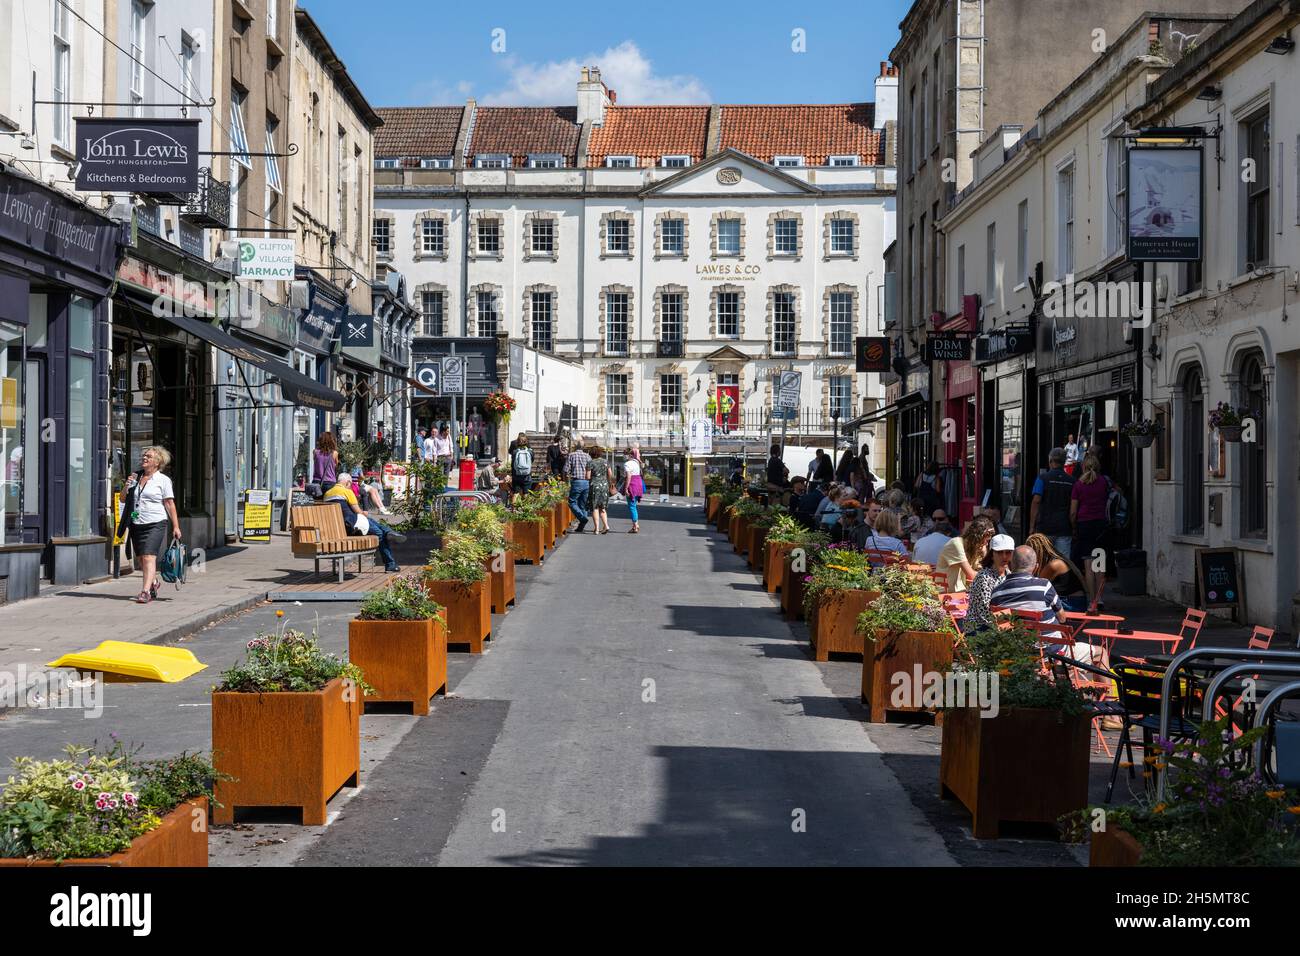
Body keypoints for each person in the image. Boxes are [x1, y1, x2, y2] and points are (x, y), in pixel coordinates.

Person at [122, 446, 182, 604]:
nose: (144, 458)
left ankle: (145, 591)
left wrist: (176, 526)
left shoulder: (163, 480)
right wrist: (127, 485)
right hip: (137, 522)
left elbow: (169, 504)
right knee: (141, 559)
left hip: (156, 522)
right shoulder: (136, 476)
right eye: (144, 456)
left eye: (148, 456)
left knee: (149, 556)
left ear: (157, 462)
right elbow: (123, 499)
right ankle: (154, 582)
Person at [323, 476, 406, 573]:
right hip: (352, 526)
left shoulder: (327, 494)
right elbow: (358, 512)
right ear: (348, 483)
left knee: (371, 522)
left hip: (338, 528)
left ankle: (388, 531)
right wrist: (364, 512)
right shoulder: (346, 491)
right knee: (380, 533)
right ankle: (390, 564)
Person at [989, 546, 1065, 642]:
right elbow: (1062, 618)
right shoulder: (1044, 586)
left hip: (1014, 652)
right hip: (1049, 650)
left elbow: (999, 625)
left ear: (1010, 566)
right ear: (1036, 567)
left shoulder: (996, 593)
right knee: (1088, 648)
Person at [1070, 454, 1111, 613]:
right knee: (1099, 564)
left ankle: (1091, 601)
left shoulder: (1078, 484)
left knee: (1088, 565)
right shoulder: (1103, 482)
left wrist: (1074, 527)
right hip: (1100, 525)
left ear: (1083, 467)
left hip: (1084, 525)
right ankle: (1100, 598)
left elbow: (1073, 512)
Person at [1028, 447, 1076, 559]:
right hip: (1064, 528)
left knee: (1043, 559)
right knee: (1063, 562)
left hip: (1044, 527)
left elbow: (1036, 501)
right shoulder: (1072, 481)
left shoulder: (1042, 478)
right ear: (1064, 462)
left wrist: (1031, 526)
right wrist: (1074, 528)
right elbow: (1074, 508)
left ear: (1050, 461)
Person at [1026, 533, 1089, 613]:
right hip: (1071, 601)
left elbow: (1037, 586)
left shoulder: (1054, 565)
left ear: (1038, 551)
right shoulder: (1056, 560)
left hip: (1071, 603)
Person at [965, 533, 1016, 632]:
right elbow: (985, 613)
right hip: (979, 629)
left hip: (1001, 626)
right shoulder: (984, 577)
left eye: (1008, 552)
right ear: (992, 554)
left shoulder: (1009, 574)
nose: (1004, 556)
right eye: (1000, 552)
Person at [937, 515, 994, 592]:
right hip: (945, 594)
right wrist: (994, 579)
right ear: (978, 538)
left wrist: (984, 553)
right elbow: (971, 575)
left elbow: (979, 571)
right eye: (986, 541)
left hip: (960, 592)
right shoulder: (956, 544)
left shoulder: (972, 548)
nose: (987, 544)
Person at [563, 438, 593, 533]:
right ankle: (581, 526)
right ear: (583, 447)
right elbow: (591, 469)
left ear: (575, 446)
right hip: (586, 482)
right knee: (582, 504)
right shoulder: (588, 456)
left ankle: (582, 518)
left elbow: (565, 469)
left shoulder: (571, 455)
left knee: (572, 502)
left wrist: (565, 480)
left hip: (576, 481)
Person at [587, 445, 614, 534]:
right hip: (604, 485)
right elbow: (610, 474)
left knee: (595, 507)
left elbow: (587, 476)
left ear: (591, 453)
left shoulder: (590, 462)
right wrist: (609, 483)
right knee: (602, 507)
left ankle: (597, 529)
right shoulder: (606, 462)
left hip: (594, 485)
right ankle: (606, 526)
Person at [622, 446, 645, 533]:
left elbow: (628, 477)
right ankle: (636, 524)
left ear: (629, 455)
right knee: (634, 505)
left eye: (624, 454)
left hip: (632, 484)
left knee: (632, 506)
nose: (624, 456)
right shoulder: (636, 462)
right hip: (638, 484)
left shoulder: (627, 464)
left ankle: (635, 526)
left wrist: (626, 488)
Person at [510, 433, 533, 497]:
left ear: (517, 442)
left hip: (516, 475)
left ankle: (514, 507)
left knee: (516, 493)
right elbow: (532, 461)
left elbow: (513, 463)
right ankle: (526, 506)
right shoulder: (530, 451)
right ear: (527, 442)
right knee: (526, 493)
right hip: (527, 475)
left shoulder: (515, 452)